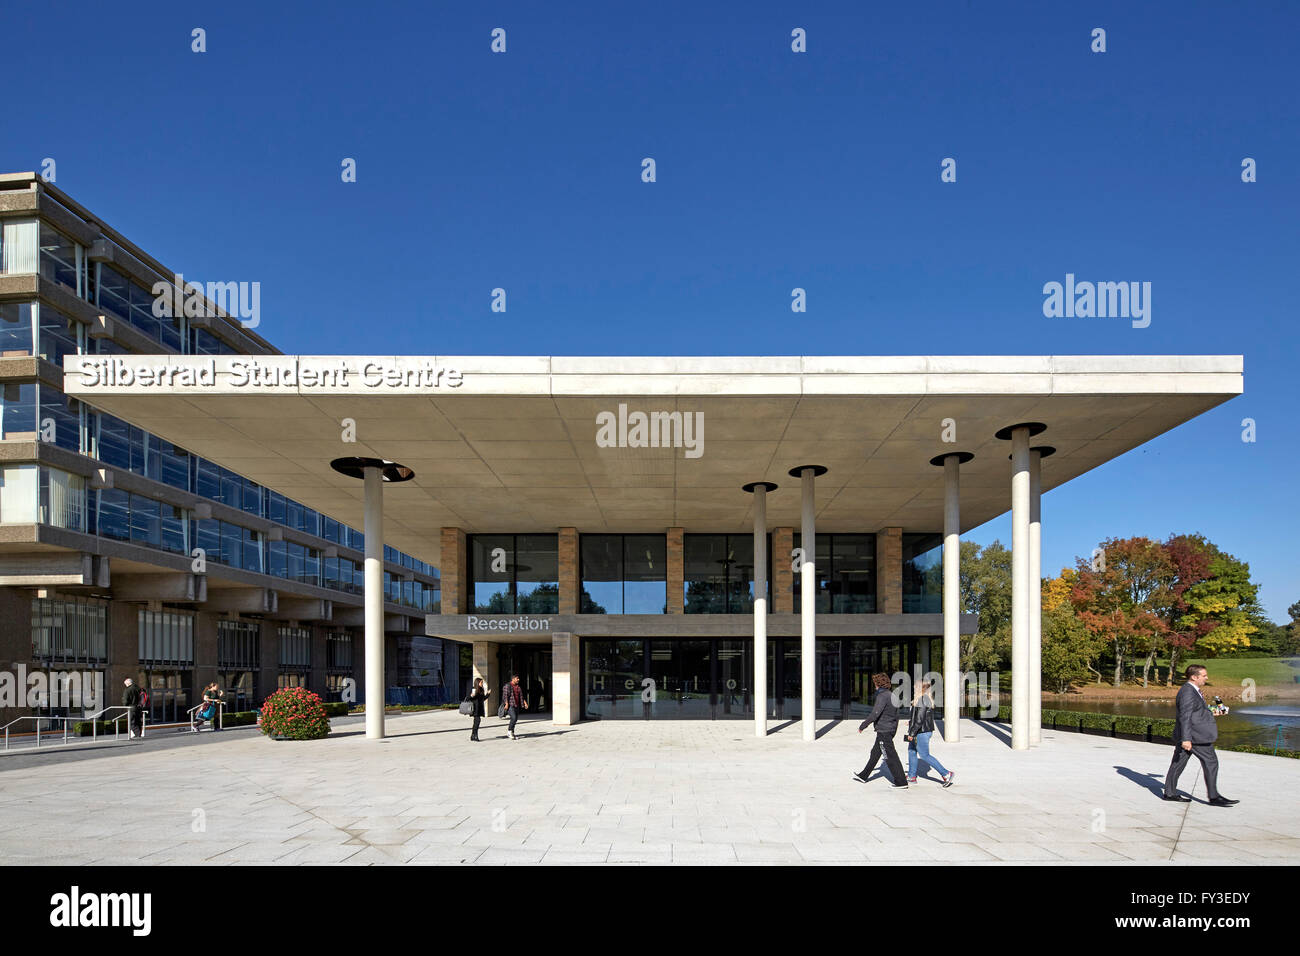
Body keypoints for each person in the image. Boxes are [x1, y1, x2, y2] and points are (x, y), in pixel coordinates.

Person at [1163, 664, 1238, 806]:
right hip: (1195, 737)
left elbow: (1195, 712)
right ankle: (1214, 797)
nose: (1207, 678)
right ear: (1194, 677)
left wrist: (1211, 712)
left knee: (1177, 764)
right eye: (1204, 676)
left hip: (1189, 735)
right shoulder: (1188, 692)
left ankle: (1169, 793)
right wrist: (1186, 739)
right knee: (1211, 761)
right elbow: (1185, 716)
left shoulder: (1192, 690)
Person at [853, 672, 907, 789]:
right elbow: (897, 715)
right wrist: (893, 730)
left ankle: (901, 782)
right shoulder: (892, 695)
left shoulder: (882, 696)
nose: (874, 686)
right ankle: (864, 775)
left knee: (890, 756)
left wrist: (863, 725)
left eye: (875, 683)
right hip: (888, 729)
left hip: (884, 731)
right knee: (875, 753)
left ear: (878, 684)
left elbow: (875, 713)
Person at [904, 680, 954, 787]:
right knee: (911, 751)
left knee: (924, 755)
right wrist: (910, 723)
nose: (913, 688)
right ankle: (911, 776)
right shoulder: (921, 699)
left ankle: (946, 773)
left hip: (921, 732)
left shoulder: (923, 699)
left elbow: (920, 719)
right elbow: (917, 717)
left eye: (915, 686)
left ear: (920, 688)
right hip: (919, 730)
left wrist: (912, 733)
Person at [503, 674, 528, 740]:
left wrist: (525, 703)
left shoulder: (518, 687)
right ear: (513, 679)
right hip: (510, 705)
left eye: (518, 678)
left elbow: (521, 696)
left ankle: (512, 732)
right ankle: (509, 731)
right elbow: (505, 696)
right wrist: (506, 704)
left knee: (515, 719)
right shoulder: (507, 686)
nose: (518, 679)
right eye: (517, 678)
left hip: (516, 705)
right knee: (513, 718)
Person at [467, 677, 490, 741]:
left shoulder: (481, 689)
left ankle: (472, 735)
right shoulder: (473, 689)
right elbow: (468, 698)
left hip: (480, 708)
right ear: (477, 682)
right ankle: (475, 735)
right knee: (477, 721)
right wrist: (472, 695)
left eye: (482, 682)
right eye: (481, 682)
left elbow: (483, 699)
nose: (482, 683)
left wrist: (488, 694)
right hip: (475, 708)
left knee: (476, 722)